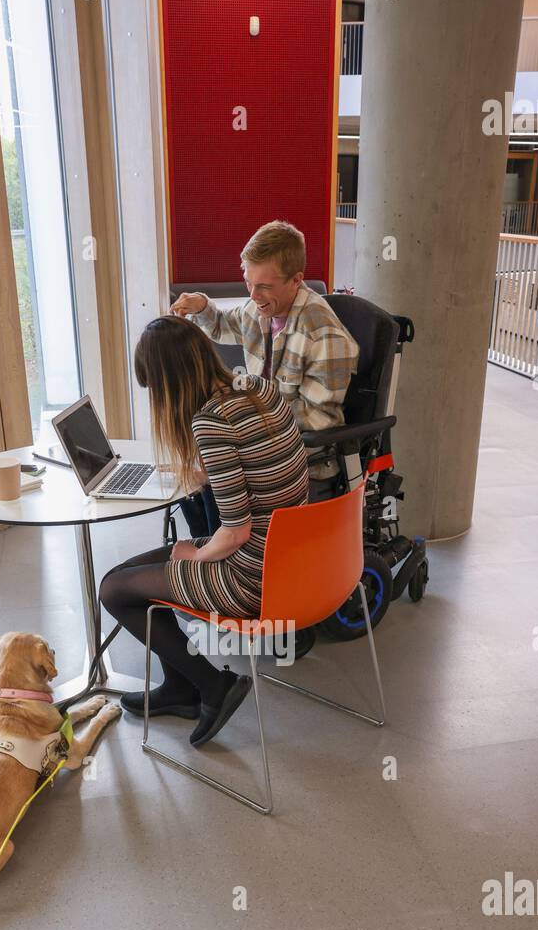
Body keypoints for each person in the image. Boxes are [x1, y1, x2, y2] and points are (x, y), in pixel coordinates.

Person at [99, 317, 309, 748]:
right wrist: (205, 475)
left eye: (156, 388)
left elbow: (234, 532)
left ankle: (212, 686)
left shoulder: (211, 423)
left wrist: (192, 556)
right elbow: (258, 470)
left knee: (114, 591)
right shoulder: (255, 386)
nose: (157, 399)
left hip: (251, 575)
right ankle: (179, 690)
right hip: (293, 559)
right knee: (133, 571)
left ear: (171, 381)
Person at [170, 219, 359, 529]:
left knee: (215, 472)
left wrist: (248, 423)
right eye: (249, 282)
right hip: (269, 439)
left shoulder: (324, 335)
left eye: (264, 286)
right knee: (195, 475)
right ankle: (210, 551)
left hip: (305, 458)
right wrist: (202, 305)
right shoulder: (260, 309)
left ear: (296, 280)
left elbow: (318, 419)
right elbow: (221, 324)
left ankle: (228, 557)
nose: (254, 295)